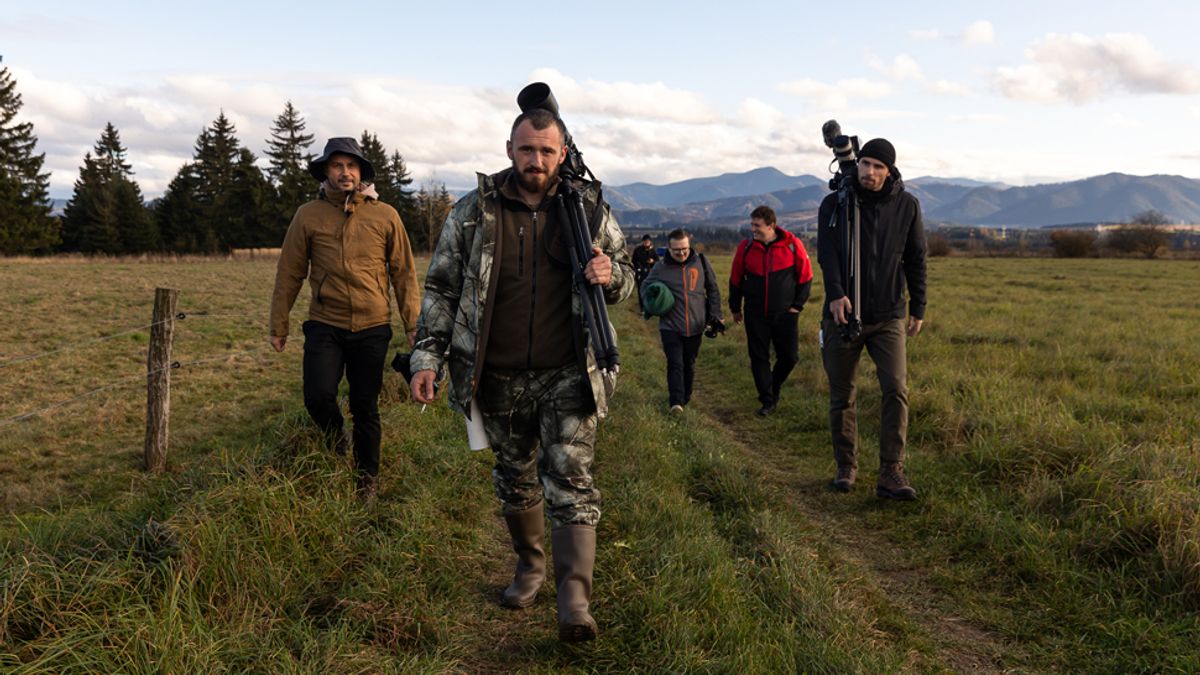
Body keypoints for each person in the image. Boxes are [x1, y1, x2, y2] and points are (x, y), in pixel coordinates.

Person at [408, 102, 633, 642]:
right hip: (498, 374)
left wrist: (610, 274)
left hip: (568, 372)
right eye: (527, 149)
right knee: (515, 479)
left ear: (561, 153)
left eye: (547, 150)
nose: (536, 159)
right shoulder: (470, 213)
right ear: (509, 150)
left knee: (571, 481)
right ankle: (531, 566)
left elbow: (624, 275)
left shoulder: (588, 210)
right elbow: (440, 288)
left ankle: (574, 603)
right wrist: (426, 358)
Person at [268, 137, 420, 500]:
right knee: (318, 396)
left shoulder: (385, 216)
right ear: (326, 171)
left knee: (365, 405)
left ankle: (366, 478)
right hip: (325, 323)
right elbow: (289, 271)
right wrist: (279, 324)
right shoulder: (308, 215)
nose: (345, 172)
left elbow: (404, 273)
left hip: (372, 325)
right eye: (337, 165)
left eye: (351, 166)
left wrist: (413, 325)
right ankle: (337, 439)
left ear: (361, 172)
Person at [816, 138, 927, 500]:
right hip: (842, 312)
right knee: (842, 393)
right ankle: (845, 464)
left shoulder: (907, 206)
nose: (870, 172)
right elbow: (827, 253)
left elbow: (916, 258)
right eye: (865, 164)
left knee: (896, 389)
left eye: (879, 166)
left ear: (890, 171)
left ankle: (891, 471)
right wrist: (835, 293)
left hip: (889, 314)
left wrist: (919, 307)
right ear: (856, 164)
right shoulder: (836, 204)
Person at [728, 205, 813, 416]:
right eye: (752, 225)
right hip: (755, 314)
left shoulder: (793, 245)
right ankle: (767, 401)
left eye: (757, 225)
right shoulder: (745, 247)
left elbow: (806, 277)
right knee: (759, 357)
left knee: (790, 357)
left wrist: (797, 306)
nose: (753, 229)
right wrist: (735, 308)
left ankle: (773, 386)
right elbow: (735, 279)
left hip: (785, 314)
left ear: (771, 226)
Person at [642, 228, 723, 413]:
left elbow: (713, 289)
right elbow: (646, 287)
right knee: (675, 362)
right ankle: (676, 402)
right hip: (670, 325)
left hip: (695, 325)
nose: (681, 253)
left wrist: (716, 315)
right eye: (676, 250)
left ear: (689, 245)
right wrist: (653, 302)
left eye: (684, 249)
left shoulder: (701, 262)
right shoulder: (660, 267)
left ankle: (685, 397)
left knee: (689, 363)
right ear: (669, 248)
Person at [631, 234, 659, 310]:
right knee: (641, 290)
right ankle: (642, 308)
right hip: (640, 273)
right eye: (645, 241)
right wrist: (638, 268)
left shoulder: (652, 251)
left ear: (650, 242)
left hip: (650, 274)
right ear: (643, 242)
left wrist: (653, 261)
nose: (646, 242)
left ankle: (649, 307)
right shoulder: (638, 250)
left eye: (648, 241)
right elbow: (633, 261)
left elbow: (657, 261)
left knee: (650, 290)